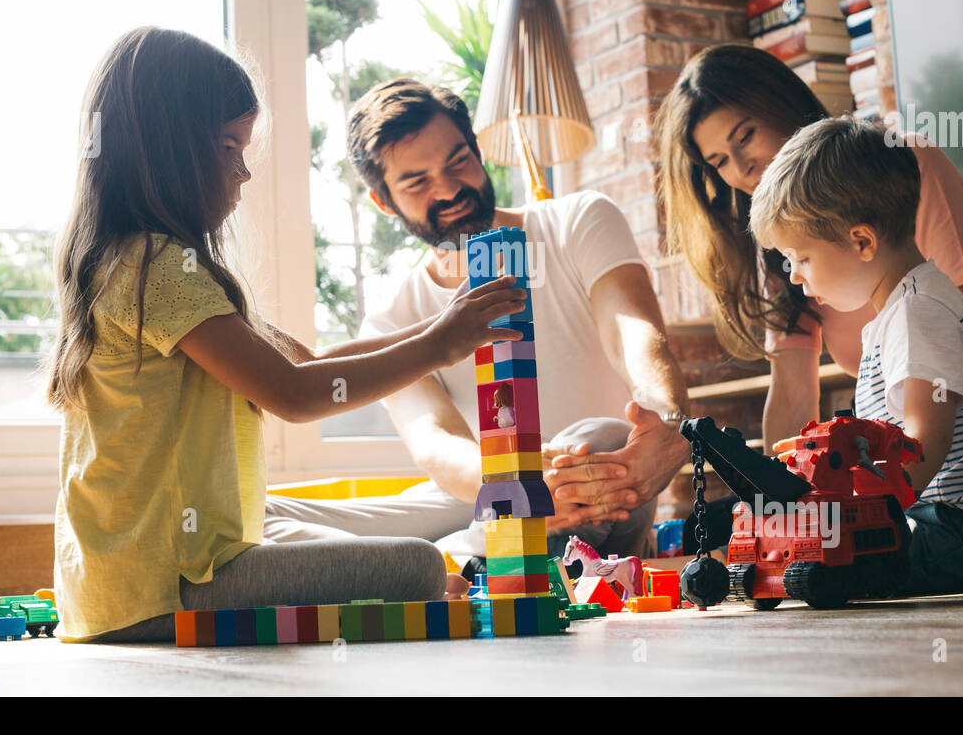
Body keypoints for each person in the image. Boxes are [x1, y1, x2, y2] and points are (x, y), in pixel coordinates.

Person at [558, 43, 963, 581]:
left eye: (745, 137)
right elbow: (790, 398)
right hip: (919, 465)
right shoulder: (793, 250)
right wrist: (786, 503)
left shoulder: (899, 167)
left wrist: (878, 498)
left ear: (781, 106)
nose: (740, 168)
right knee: (738, 524)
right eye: (718, 161)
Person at [45, 28, 526, 641]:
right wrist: (440, 345)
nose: (243, 171)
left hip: (134, 583)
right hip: (170, 584)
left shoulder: (136, 261)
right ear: (166, 147)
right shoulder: (157, 268)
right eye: (227, 146)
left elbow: (306, 361)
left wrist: (442, 325)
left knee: (383, 558)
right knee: (419, 564)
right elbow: (297, 394)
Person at [263, 78, 693, 561]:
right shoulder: (391, 319)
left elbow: (632, 332)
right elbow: (438, 443)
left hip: (589, 478)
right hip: (484, 493)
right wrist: (512, 483)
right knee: (262, 515)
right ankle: (441, 557)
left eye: (458, 161)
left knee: (601, 440)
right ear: (384, 202)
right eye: (417, 181)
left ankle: (439, 563)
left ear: (478, 152)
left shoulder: (576, 220)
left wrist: (670, 420)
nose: (449, 189)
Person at [751, 117, 963, 593]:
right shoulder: (902, 308)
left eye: (801, 258)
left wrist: (862, 516)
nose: (795, 277)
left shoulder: (918, 313)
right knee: (830, 552)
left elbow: (927, 440)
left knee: (850, 563)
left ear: (862, 241)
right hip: (942, 516)